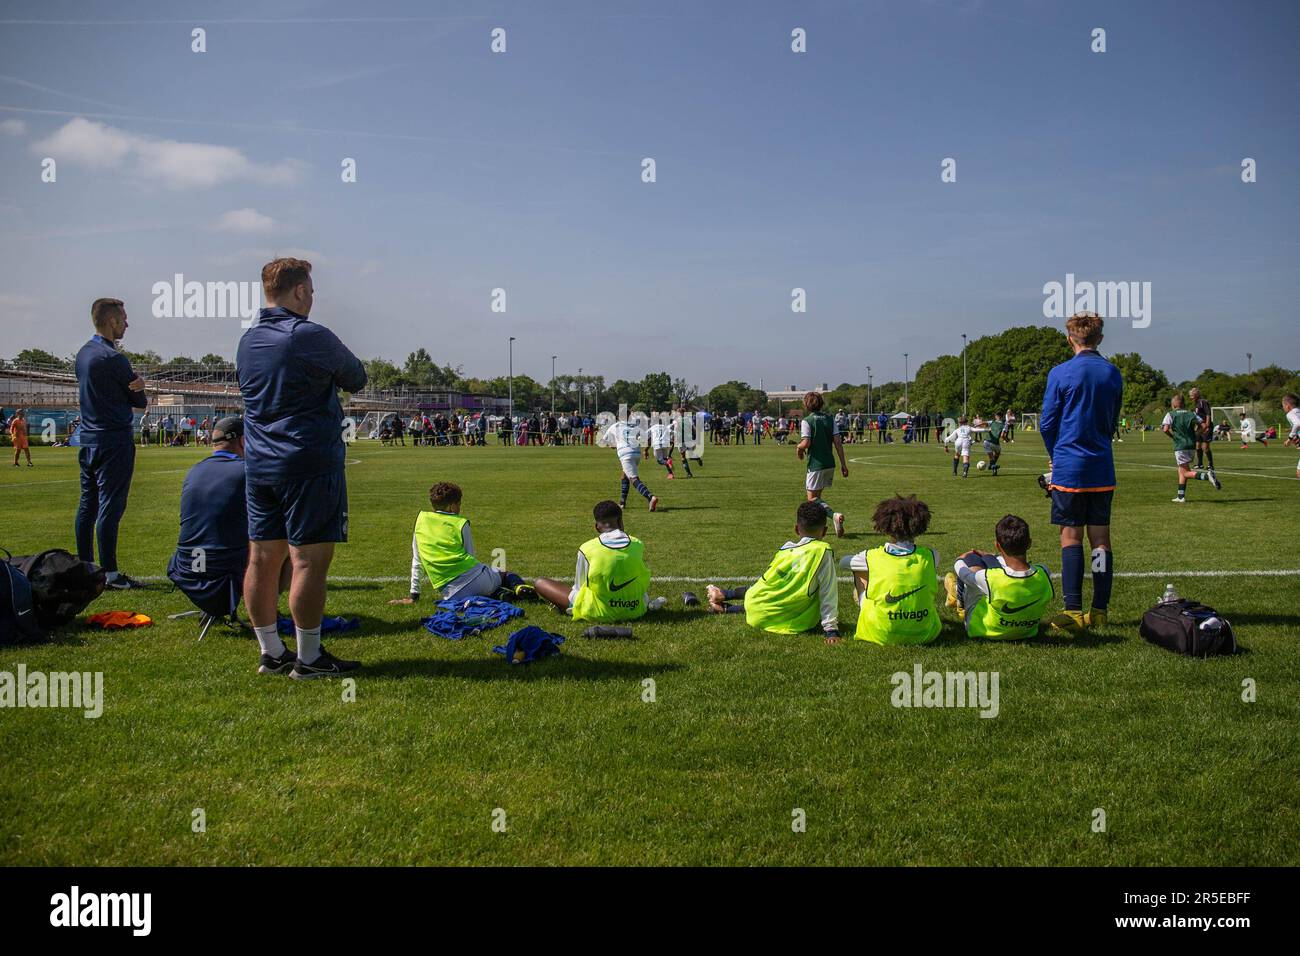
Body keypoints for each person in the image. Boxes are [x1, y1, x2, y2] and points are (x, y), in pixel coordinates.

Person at [237, 257, 367, 680]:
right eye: (310, 289)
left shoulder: (248, 340)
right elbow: (357, 377)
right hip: (307, 461)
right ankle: (309, 658)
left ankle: (271, 652)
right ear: (298, 291)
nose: (313, 297)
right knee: (309, 561)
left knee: (261, 558)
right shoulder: (309, 335)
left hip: (260, 464)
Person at [1039, 312, 1122, 633]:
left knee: (1070, 536)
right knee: (1100, 540)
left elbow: (1048, 422)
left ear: (1069, 338)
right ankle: (1099, 609)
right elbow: (1112, 418)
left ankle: (1073, 610)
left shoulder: (1060, 373)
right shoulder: (1113, 373)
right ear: (1099, 338)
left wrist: (1055, 455)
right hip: (1102, 465)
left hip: (1069, 467)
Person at [74, 298, 148, 589]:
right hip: (114, 439)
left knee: (87, 505)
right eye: (124, 319)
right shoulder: (113, 358)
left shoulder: (82, 354)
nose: (127, 324)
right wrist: (140, 387)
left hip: (88, 437)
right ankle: (110, 574)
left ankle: (84, 567)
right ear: (111, 321)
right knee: (110, 506)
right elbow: (139, 401)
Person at [706, 501, 841, 643]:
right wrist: (831, 630)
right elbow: (828, 592)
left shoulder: (786, 549)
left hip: (756, 605)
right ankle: (726, 608)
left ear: (796, 529)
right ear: (825, 531)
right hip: (785, 617)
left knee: (770, 595)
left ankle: (725, 594)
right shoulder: (822, 552)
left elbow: (766, 582)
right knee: (792, 601)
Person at [389, 481, 533, 607]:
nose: (460, 508)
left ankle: (501, 596)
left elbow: (417, 561)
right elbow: (471, 557)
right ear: (452, 506)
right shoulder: (460, 523)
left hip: (449, 593)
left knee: (482, 588)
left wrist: (414, 596)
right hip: (475, 579)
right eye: (459, 504)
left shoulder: (420, 522)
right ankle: (519, 586)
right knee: (502, 572)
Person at [843, 494, 940, 645]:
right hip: (925, 633)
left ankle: (868, 607)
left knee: (860, 571)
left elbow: (844, 562)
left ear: (885, 526)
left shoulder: (871, 556)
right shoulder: (932, 556)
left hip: (881, 633)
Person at [533, 500, 651, 621]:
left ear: (597, 527)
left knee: (540, 582)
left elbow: (579, 587)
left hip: (597, 612)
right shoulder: (638, 544)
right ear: (621, 522)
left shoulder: (587, 548)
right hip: (635, 610)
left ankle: (572, 609)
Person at [943, 514, 1054, 639]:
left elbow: (962, 572)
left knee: (972, 563)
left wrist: (962, 558)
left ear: (998, 545)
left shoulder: (990, 578)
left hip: (984, 630)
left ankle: (958, 599)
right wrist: (990, 557)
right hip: (1027, 632)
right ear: (1029, 543)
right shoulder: (1044, 571)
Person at [797, 391, 848, 537]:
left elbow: (806, 442)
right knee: (816, 499)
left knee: (812, 499)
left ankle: (834, 516)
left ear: (806, 404)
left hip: (816, 464)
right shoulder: (830, 419)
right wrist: (843, 465)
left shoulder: (807, 421)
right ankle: (821, 527)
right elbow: (838, 442)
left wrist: (798, 448)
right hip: (829, 463)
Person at [1163, 393, 1221, 502]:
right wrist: (1196, 435)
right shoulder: (1191, 413)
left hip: (1180, 446)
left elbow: (1165, 429)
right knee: (1182, 471)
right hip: (1191, 445)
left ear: (1174, 404)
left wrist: (1173, 437)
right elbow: (1204, 426)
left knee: (1185, 472)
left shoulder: (1171, 414)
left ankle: (1207, 476)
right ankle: (1181, 496)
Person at [602, 415, 658, 512]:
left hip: (625, 454)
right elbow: (647, 437)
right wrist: (644, 448)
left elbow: (605, 440)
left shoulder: (615, 426)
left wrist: (613, 445)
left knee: (634, 479)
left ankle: (650, 497)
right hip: (636, 453)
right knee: (624, 476)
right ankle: (622, 503)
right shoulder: (634, 425)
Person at [1282, 393, 1300, 478]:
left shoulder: (1290, 414)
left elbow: (1298, 424)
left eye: (1283, 405)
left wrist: (1289, 439)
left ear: (1287, 405)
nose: (1283, 408)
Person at [981, 411, 1004, 475]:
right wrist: (1006, 439)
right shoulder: (1004, 424)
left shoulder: (992, 422)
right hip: (996, 444)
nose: (995, 416)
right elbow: (1002, 435)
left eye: (995, 415)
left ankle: (992, 466)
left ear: (997, 416)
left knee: (991, 457)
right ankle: (992, 466)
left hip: (987, 442)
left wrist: (977, 425)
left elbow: (983, 422)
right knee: (997, 453)